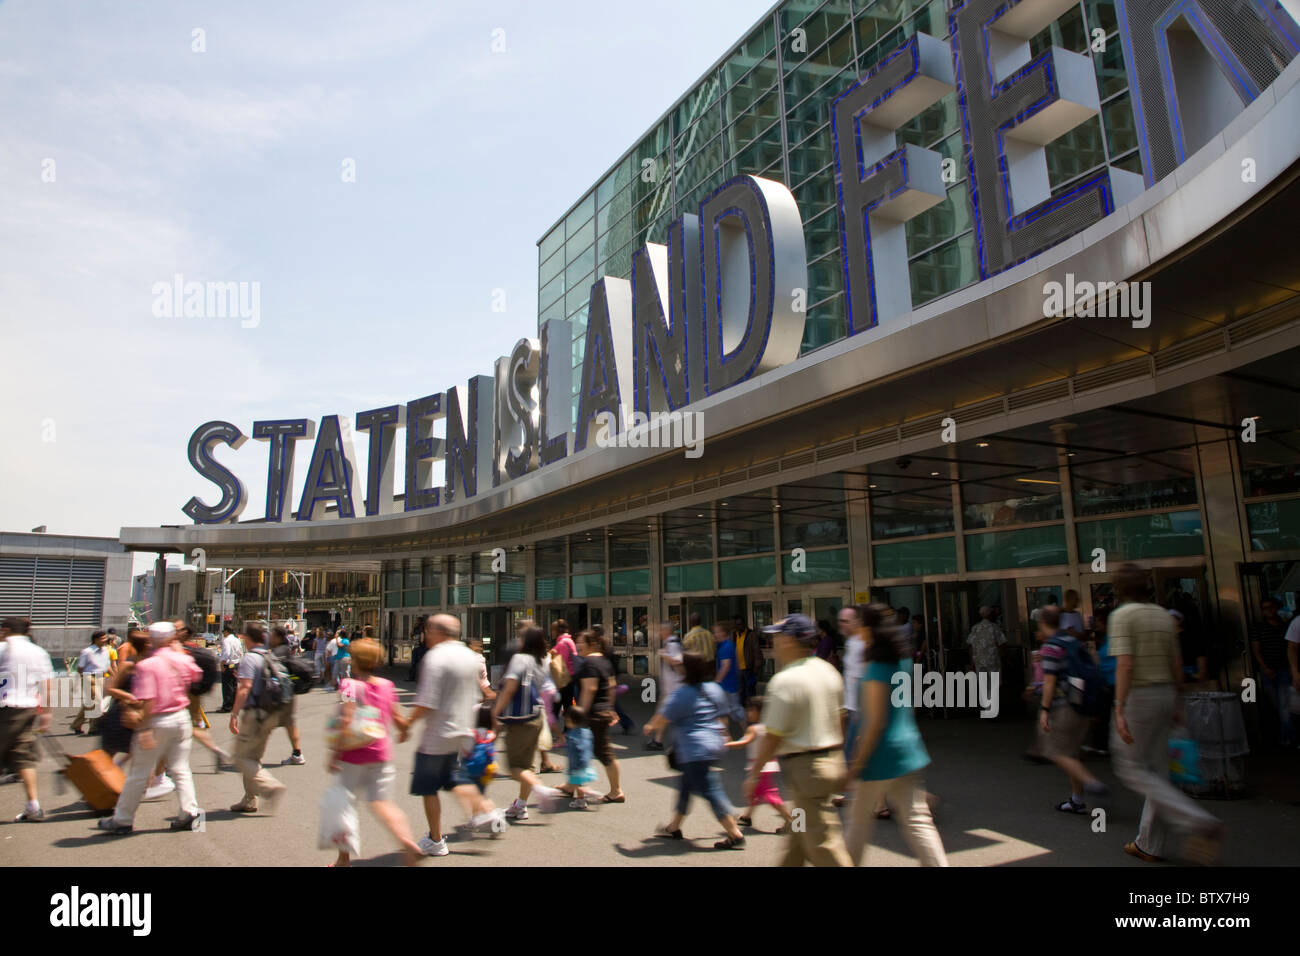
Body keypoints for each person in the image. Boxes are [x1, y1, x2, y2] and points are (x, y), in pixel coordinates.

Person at [1109, 564, 1223, 864]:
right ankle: (1149, 843)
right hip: (1165, 693)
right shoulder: (1161, 614)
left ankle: (1198, 821)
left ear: (1119, 588)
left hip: (1139, 697)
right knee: (1158, 771)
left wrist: (1119, 708)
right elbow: (1176, 663)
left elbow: (1125, 665)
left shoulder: (1122, 616)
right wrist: (1177, 703)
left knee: (1131, 768)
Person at [842, 607, 947, 866]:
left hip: (880, 755)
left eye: (860, 625)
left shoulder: (877, 668)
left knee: (858, 820)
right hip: (907, 749)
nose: (857, 630)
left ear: (870, 629)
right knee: (917, 820)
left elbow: (875, 722)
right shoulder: (902, 660)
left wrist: (856, 763)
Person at [747, 614, 852, 867]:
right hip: (830, 762)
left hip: (806, 771)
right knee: (799, 836)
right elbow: (842, 719)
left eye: (779, 637)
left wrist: (754, 775)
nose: (774, 643)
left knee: (823, 845)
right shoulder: (828, 671)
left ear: (792, 641)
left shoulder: (785, 681)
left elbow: (772, 736)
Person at [403, 613, 505, 856]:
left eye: (427, 631)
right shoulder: (469, 656)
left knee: (428, 787)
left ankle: (436, 839)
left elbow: (427, 700)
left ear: (434, 632)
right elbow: (479, 688)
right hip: (463, 727)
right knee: (453, 778)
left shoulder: (436, 658)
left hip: (438, 732)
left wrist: (407, 723)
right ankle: (486, 810)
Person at [324, 638, 422, 866]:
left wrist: (334, 753)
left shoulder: (348, 685)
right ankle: (406, 841)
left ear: (355, 662)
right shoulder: (387, 685)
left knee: (344, 805)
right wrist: (404, 731)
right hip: (381, 753)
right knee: (382, 802)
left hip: (352, 755)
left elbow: (346, 719)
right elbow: (398, 717)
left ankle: (343, 859)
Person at [98, 623, 203, 834]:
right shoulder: (183, 658)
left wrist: (144, 728)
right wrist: (177, 653)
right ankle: (190, 813)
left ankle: (122, 819)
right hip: (181, 717)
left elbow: (148, 699)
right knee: (181, 768)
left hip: (157, 719)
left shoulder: (148, 665)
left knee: (139, 772)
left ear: (152, 639)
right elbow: (196, 675)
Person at [643, 652, 746, 849]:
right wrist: (724, 734)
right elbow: (723, 715)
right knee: (686, 786)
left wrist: (650, 726)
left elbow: (663, 718)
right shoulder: (714, 689)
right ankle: (674, 827)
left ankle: (734, 833)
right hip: (710, 744)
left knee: (710, 790)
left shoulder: (682, 694)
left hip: (693, 749)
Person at [1035, 605, 1110, 815]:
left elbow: (1049, 681)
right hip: (1081, 705)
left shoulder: (1050, 647)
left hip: (1062, 707)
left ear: (1042, 622)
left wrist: (1044, 709)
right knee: (1073, 752)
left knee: (1055, 751)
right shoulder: (1073, 641)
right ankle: (1077, 800)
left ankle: (1093, 784)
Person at [492, 624, 554, 821]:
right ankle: (521, 805)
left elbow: (510, 687)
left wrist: (495, 712)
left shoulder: (520, 658)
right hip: (537, 715)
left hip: (518, 718)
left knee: (514, 767)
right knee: (528, 765)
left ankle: (540, 789)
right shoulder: (543, 659)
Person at [228, 623, 289, 815]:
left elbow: (244, 688)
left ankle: (269, 787)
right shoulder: (269, 657)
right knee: (253, 757)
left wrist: (234, 714)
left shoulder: (250, 658)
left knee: (240, 757)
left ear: (248, 638)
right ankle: (249, 799)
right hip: (271, 712)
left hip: (255, 713)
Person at [0, 617, 53, 822]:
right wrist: (46, 713)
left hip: (4, 707)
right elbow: (46, 684)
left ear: (5, 629)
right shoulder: (38, 652)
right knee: (23, 756)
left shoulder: (3, 648)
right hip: (27, 709)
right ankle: (33, 806)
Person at [571, 628, 625, 803]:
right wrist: (610, 707)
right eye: (577, 642)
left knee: (601, 752)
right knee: (595, 750)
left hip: (592, 713)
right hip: (602, 711)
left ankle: (616, 791)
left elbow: (590, 688)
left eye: (581, 642)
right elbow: (611, 686)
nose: (578, 646)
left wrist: (581, 713)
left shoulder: (588, 663)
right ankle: (573, 787)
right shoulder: (604, 661)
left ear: (591, 644)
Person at [726, 697, 793, 833]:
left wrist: (726, 744)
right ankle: (747, 816)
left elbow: (744, 742)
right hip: (769, 764)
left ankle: (792, 821)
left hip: (759, 766)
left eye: (751, 710)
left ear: (760, 712)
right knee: (755, 792)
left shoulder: (753, 729)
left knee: (771, 796)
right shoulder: (770, 727)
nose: (748, 713)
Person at [1251, 597, 1293, 747]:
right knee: (1280, 705)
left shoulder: (1285, 626)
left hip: (1284, 669)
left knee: (1284, 705)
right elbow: (1256, 650)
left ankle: (1287, 738)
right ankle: (1286, 736)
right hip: (1269, 670)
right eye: (1265, 608)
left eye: (1271, 607)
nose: (1268, 610)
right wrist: (1265, 667)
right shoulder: (1259, 628)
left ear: (1276, 608)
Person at [269, 625, 306, 765]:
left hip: (280, 694)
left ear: (278, 637)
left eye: (272, 635)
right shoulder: (286, 650)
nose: (269, 638)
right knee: (289, 723)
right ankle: (297, 753)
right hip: (288, 692)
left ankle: (252, 755)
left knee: (264, 723)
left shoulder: (277, 652)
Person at [647, 621, 683, 751]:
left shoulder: (672, 644)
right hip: (670, 688)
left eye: (660, 630)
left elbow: (677, 661)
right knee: (664, 714)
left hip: (674, 688)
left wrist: (664, 655)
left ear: (667, 631)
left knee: (668, 715)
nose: (659, 632)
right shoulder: (669, 643)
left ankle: (663, 741)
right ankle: (658, 739)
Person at [71, 630, 111, 735]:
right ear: (95, 640)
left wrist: (114, 676)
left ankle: (76, 725)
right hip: (89, 676)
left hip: (101, 677)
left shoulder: (106, 650)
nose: (105, 640)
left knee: (90, 703)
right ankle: (94, 728)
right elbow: (80, 667)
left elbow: (107, 665)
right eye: (103, 638)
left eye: (106, 638)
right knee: (97, 702)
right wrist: (83, 679)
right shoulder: (87, 651)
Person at [713, 621, 745, 733]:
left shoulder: (726, 647)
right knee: (724, 710)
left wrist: (717, 680)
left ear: (723, 633)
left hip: (727, 685)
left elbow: (725, 666)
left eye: (717, 632)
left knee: (733, 709)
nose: (715, 635)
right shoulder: (728, 645)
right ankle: (725, 735)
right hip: (728, 684)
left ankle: (746, 731)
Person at [966, 606, 1006, 676]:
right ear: (990, 615)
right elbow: (1002, 644)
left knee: (983, 685)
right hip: (993, 662)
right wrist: (1004, 658)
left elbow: (970, 646)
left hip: (979, 662)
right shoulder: (995, 627)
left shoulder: (975, 628)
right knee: (994, 685)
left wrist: (972, 663)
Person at [551, 619, 578, 708]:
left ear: (558, 630)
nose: (552, 632)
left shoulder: (563, 643)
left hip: (565, 681)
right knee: (567, 708)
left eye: (553, 629)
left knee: (556, 710)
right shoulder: (568, 641)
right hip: (569, 680)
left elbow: (562, 665)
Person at [735, 615, 760, 706]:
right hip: (738, 668)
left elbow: (756, 650)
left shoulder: (751, 635)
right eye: (737, 625)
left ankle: (753, 709)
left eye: (741, 624)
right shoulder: (735, 635)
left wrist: (756, 667)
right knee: (741, 691)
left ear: (745, 624)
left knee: (750, 690)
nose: (739, 626)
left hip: (748, 668)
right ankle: (744, 709)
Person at [217, 625, 242, 712]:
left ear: (227, 631)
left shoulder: (227, 640)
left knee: (227, 686)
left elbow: (226, 653)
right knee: (234, 685)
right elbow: (240, 652)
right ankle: (234, 705)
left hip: (228, 665)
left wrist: (222, 664)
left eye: (224, 632)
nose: (223, 634)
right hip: (236, 664)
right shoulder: (237, 639)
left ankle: (227, 706)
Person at [467, 634, 496, 702]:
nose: (481, 649)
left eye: (481, 646)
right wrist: (488, 693)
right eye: (478, 646)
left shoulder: (480, 658)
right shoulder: (476, 660)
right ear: (470, 647)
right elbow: (480, 680)